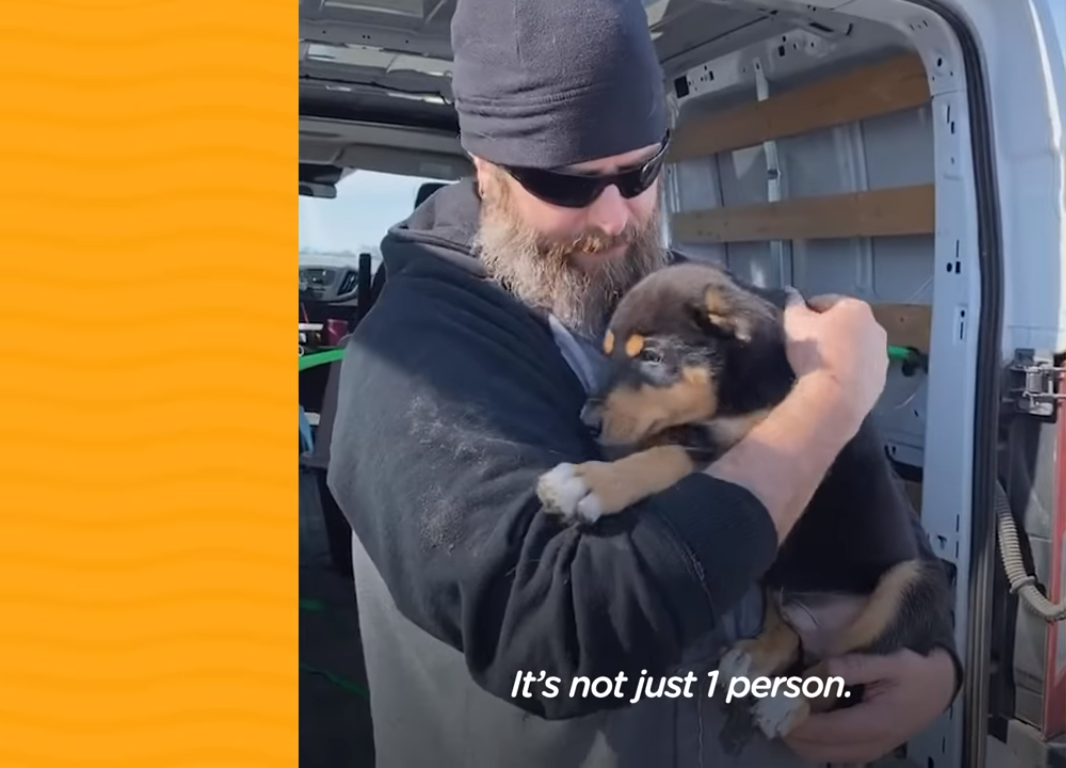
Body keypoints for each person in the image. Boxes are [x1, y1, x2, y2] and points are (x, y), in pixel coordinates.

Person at [325, 0, 961, 765]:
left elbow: (862, 506)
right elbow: (554, 644)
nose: (615, 216)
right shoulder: (410, 361)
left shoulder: (691, 299)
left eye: (640, 170)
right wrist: (827, 398)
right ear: (487, 170)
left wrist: (933, 669)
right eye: (567, 183)